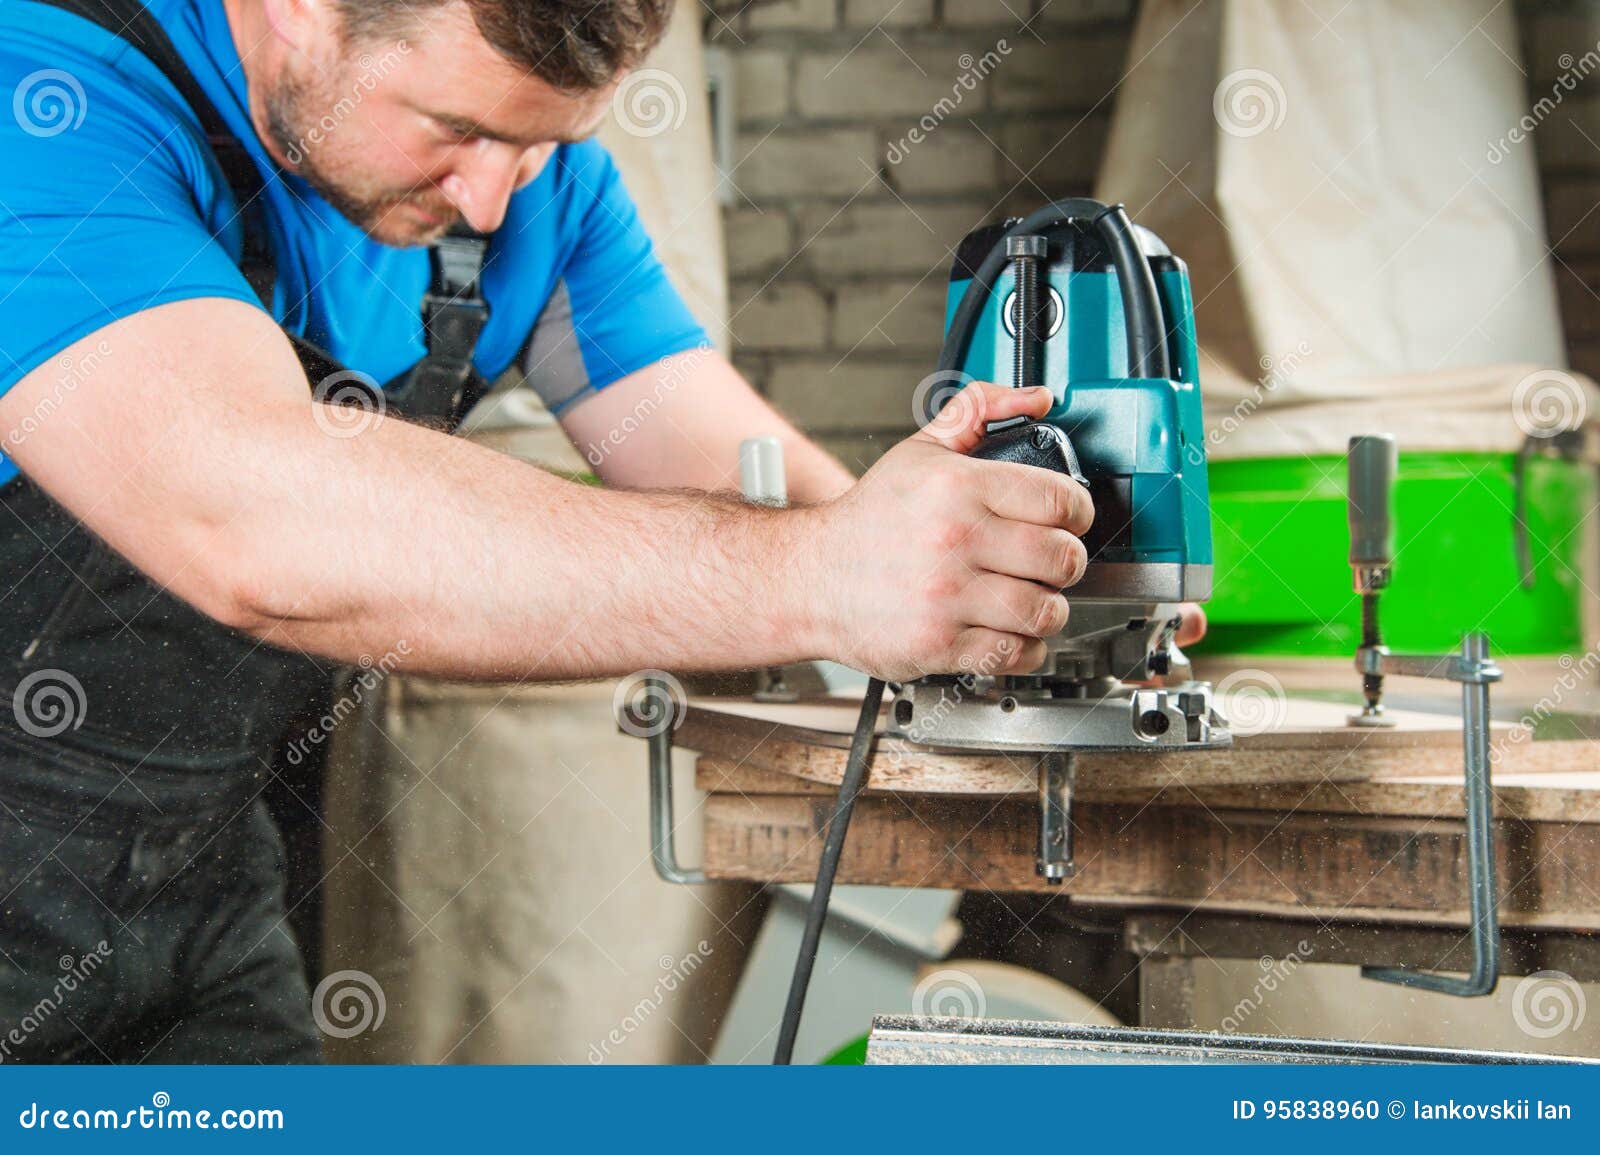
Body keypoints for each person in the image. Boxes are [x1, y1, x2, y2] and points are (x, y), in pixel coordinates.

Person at [0, 0, 1108, 1062]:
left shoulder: (535, 185)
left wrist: (997, 586)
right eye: (461, 130)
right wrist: (822, 575)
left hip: (199, 880)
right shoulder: (44, 99)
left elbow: (732, 467)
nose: (491, 199)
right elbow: (254, 522)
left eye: (534, 146)